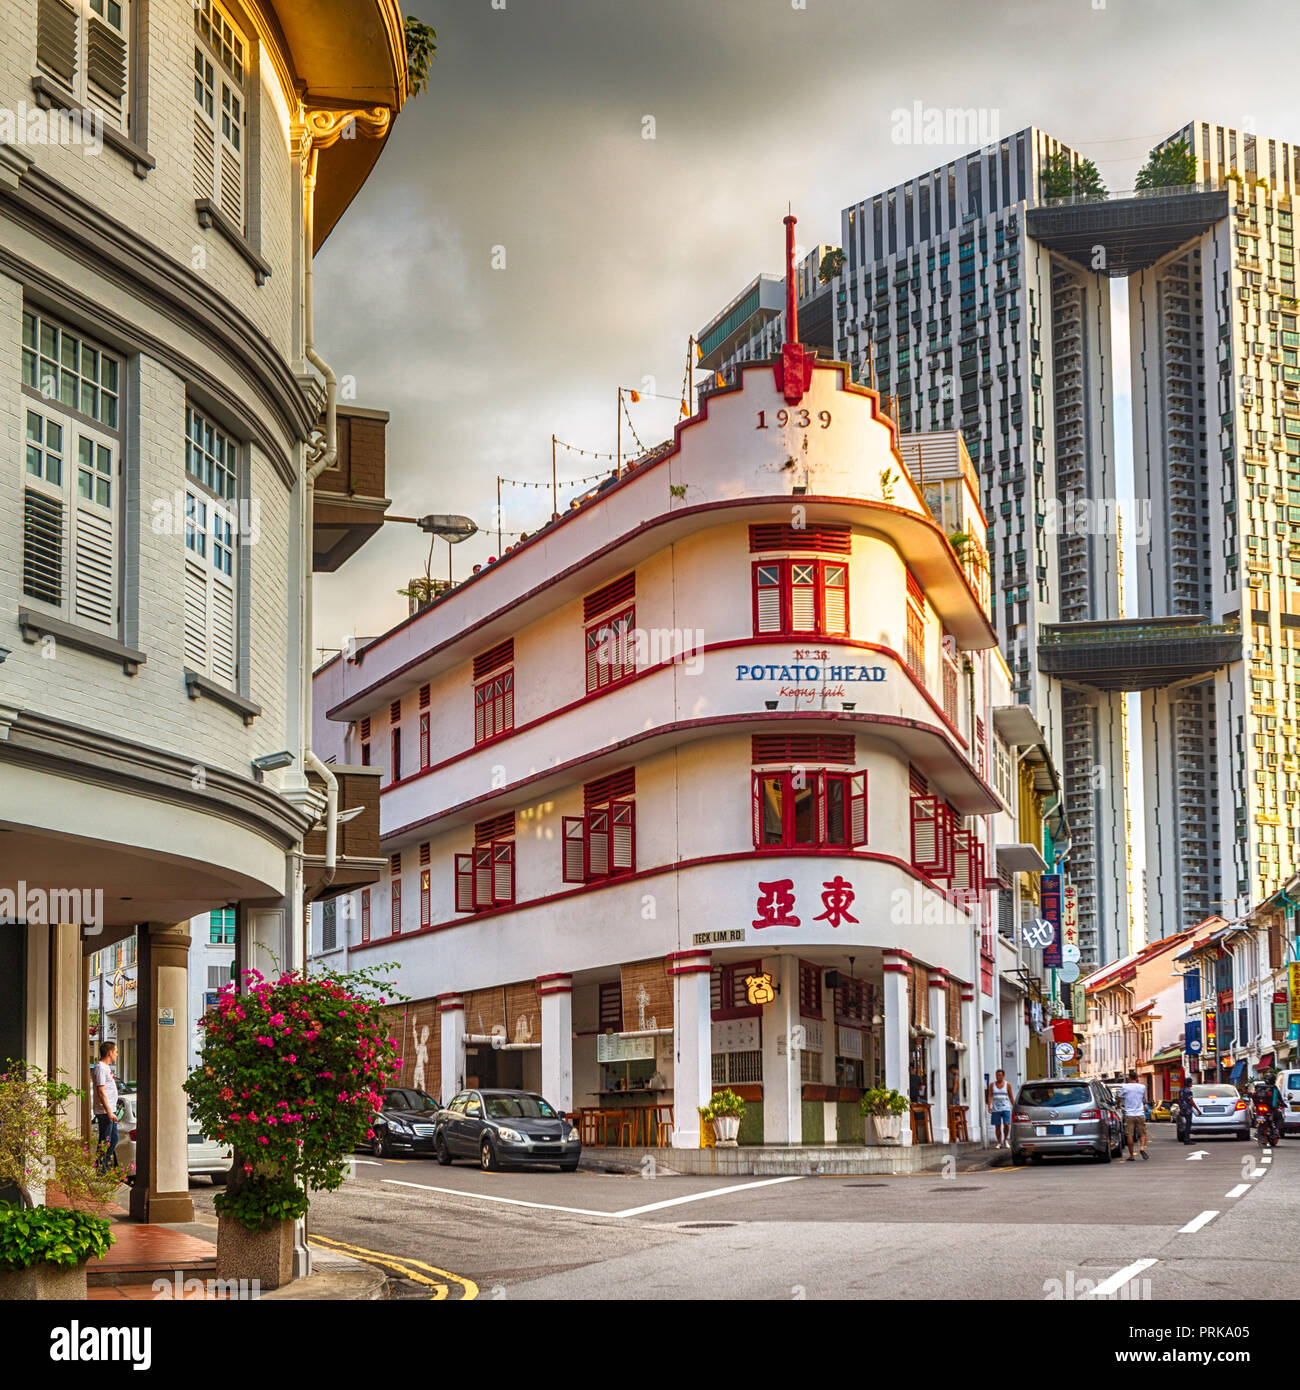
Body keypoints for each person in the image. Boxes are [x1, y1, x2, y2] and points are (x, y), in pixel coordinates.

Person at [91, 1041, 120, 1175]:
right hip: (104, 1111)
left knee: (113, 1139)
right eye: (116, 1052)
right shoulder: (100, 1068)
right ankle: (101, 1168)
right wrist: (108, 1111)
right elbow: (101, 1091)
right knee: (106, 1139)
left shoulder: (105, 1068)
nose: (117, 1055)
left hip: (110, 1109)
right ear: (109, 1053)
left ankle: (103, 1164)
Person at [1117, 1070, 1149, 1160]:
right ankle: (1142, 1148)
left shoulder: (1125, 1087)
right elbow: (1143, 1098)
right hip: (1140, 1113)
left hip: (1129, 1114)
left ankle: (1132, 1156)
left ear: (1129, 1078)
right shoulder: (1142, 1087)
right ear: (1137, 1078)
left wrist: (1118, 1105)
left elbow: (1118, 1097)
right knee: (1142, 1133)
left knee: (1129, 1135)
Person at [987, 1069, 1013, 1149]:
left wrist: (1014, 1106)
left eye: (1000, 1075)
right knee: (997, 1126)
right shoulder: (992, 1085)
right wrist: (989, 1106)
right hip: (996, 1108)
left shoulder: (1007, 1084)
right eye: (997, 1075)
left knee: (1006, 1124)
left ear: (1003, 1076)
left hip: (1006, 1107)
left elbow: (1011, 1096)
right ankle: (999, 1142)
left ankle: (1005, 1139)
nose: (998, 1077)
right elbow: (990, 1095)